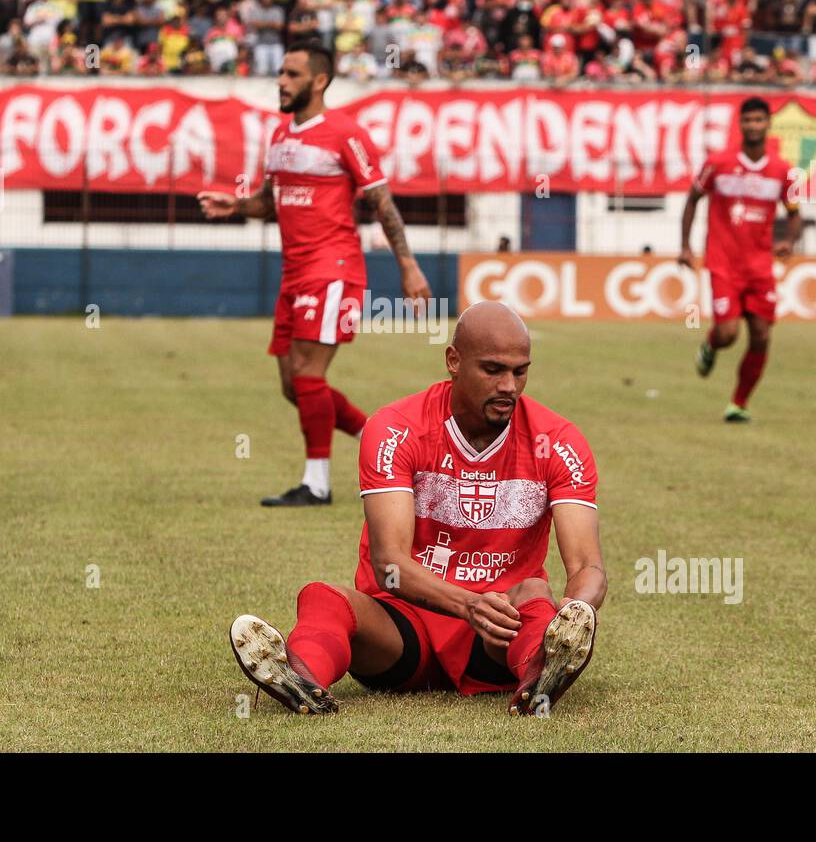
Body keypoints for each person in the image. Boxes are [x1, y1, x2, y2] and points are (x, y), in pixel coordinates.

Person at [229, 301, 604, 716]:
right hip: (403, 632)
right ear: (453, 361)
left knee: (534, 593)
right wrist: (467, 604)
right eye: (493, 370)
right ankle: (301, 679)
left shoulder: (559, 440)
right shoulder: (395, 428)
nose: (509, 387)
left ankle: (541, 667)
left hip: (499, 639)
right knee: (323, 598)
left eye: (520, 371)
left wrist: (575, 613)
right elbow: (389, 564)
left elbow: (588, 566)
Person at [198, 40, 433, 507]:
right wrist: (237, 205)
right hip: (294, 274)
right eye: (281, 73)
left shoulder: (346, 133)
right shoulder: (282, 135)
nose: (280, 82)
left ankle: (317, 484)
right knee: (294, 385)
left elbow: (382, 203)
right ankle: (387, 443)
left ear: (319, 80)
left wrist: (408, 266)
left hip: (333, 269)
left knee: (308, 374)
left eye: (291, 74)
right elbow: (269, 201)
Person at [678, 97, 802, 422]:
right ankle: (710, 345)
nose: (753, 126)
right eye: (748, 120)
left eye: (759, 120)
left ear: (767, 124)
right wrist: (685, 246)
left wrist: (789, 240)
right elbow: (692, 200)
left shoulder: (782, 171)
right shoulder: (718, 163)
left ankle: (739, 403)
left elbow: (794, 213)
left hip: (760, 267)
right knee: (728, 334)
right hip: (723, 264)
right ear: (740, 124)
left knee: (761, 334)